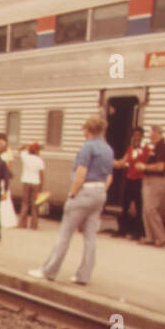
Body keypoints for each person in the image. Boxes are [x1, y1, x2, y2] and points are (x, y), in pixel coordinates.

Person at [28, 117, 114, 284]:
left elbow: (81, 173)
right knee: (90, 237)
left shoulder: (87, 148)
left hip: (84, 193)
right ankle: (84, 276)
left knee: (64, 234)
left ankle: (49, 271)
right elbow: (109, 176)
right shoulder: (108, 149)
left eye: (84, 130)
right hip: (100, 193)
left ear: (88, 130)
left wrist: (72, 194)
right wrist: (101, 191)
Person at [112, 126, 148, 238]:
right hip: (129, 180)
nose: (136, 137)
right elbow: (121, 162)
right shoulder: (130, 149)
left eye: (139, 135)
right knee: (125, 206)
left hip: (139, 181)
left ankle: (138, 232)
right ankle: (122, 230)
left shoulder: (146, 149)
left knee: (139, 207)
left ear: (142, 137)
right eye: (135, 135)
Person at [136, 124, 165, 246]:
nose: (149, 135)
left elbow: (161, 167)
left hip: (155, 181)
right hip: (148, 180)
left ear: (155, 133)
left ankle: (161, 237)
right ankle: (149, 237)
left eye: (150, 132)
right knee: (146, 210)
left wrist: (144, 166)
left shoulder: (162, 147)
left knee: (151, 209)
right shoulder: (155, 147)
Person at [17, 143, 44, 229]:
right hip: (36, 183)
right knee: (34, 205)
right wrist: (41, 187)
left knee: (25, 203)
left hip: (26, 181)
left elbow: (20, 149)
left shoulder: (25, 157)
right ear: (36, 151)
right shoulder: (40, 160)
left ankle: (22, 224)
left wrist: (27, 145)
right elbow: (41, 174)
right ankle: (34, 225)